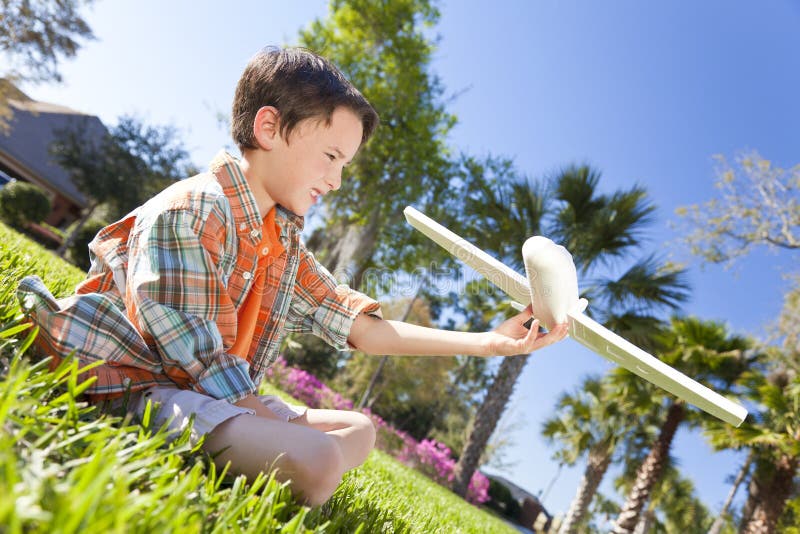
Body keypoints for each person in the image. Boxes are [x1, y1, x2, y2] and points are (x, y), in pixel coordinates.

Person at [17, 46, 569, 505]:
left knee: (360, 431)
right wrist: (277, 425)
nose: (335, 180)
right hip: (139, 388)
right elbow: (200, 361)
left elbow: (360, 326)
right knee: (321, 457)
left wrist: (492, 343)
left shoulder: (280, 241)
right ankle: (276, 462)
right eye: (330, 156)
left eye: (344, 166)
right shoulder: (194, 210)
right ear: (269, 127)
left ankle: (266, 455)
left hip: (208, 397)